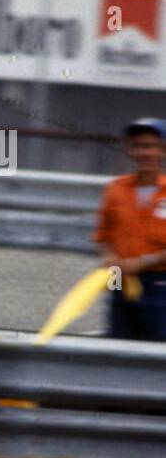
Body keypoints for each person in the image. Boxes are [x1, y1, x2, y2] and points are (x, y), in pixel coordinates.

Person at [93, 119, 166, 342]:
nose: (145, 153)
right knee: (118, 347)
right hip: (120, 280)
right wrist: (110, 259)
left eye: (151, 146)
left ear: (162, 151)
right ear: (130, 151)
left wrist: (141, 262)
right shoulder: (116, 189)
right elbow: (103, 236)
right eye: (139, 146)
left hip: (160, 287)